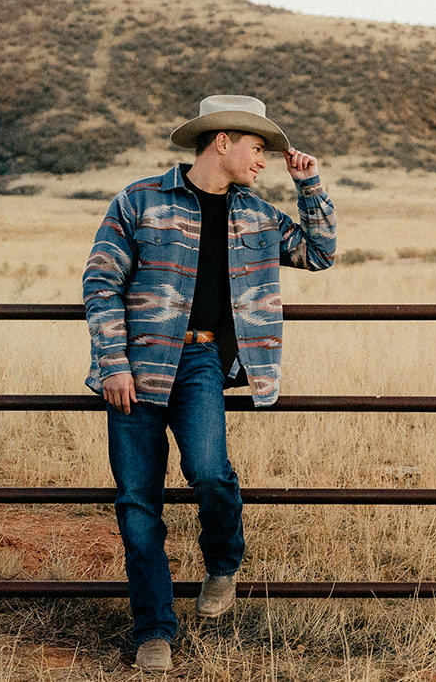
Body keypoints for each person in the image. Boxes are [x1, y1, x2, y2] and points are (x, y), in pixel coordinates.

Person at [83, 94, 336, 671]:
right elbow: (100, 281)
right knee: (137, 503)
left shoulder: (257, 215)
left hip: (200, 363)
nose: (263, 160)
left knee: (208, 471)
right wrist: (113, 362)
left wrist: (311, 185)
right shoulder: (140, 200)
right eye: (257, 148)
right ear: (222, 141)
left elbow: (320, 252)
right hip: (136, 367)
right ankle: (154, 631)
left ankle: (223, 561)